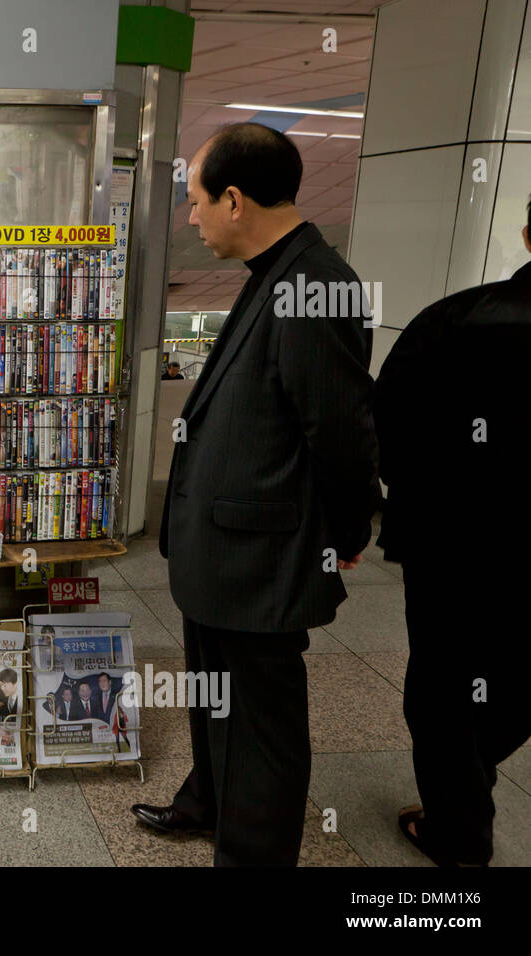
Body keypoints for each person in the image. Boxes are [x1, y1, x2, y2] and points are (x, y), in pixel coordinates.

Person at [132, 123, 379, 866]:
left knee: (260, 722)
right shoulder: (272, 272)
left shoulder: (315, 286)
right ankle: (207, 801)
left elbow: (339, 431)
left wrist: (347, 536)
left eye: (197, 199)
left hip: (263, 562)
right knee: (215, 697)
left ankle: (254, 853)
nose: (191, 215)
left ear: (234, 199)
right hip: (225, 557)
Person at [374, 205, 531, 867]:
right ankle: (472, 769)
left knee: (442, 685)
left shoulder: (453, 320)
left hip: (449, 548)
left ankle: (460, 829)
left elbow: (385, 425)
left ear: (527, 234)